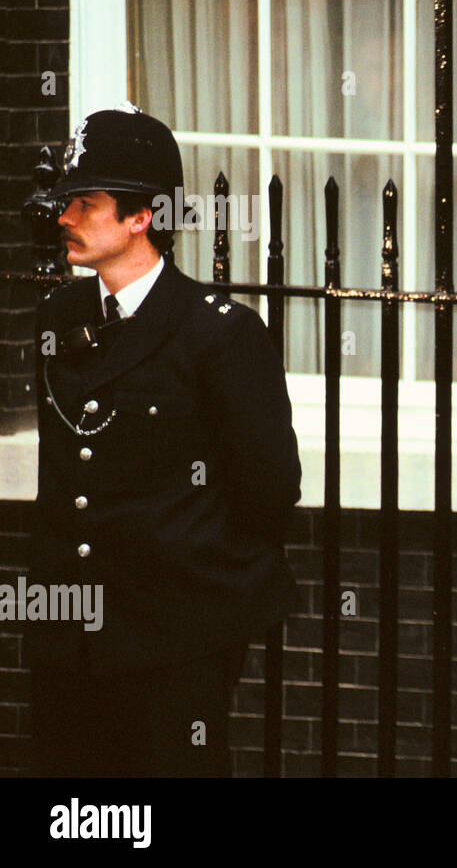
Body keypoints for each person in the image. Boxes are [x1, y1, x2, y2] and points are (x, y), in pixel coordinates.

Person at [27, 105, 300, 776]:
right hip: (69, 642)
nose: (64, 217)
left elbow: (268, 492)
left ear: (141, 217)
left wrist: (201, 603)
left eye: (85, 204)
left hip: (171, 645)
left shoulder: (218, 332)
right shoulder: (60, 316)